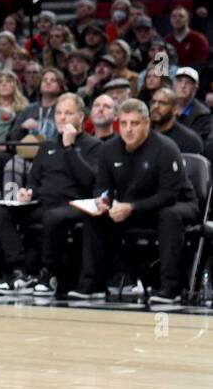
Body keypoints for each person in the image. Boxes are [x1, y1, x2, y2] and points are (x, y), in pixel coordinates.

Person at [72, 99, 199, 304]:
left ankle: (171, 289)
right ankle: (91, 286)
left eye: (135, 123)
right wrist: (102, 200)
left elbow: (169, 195)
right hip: (133, 208)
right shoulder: (108, 149)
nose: (128, 129)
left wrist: (131, 207)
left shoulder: (166, 148)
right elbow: (102, 186)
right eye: (124, 124)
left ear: (147, 124)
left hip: (176, 205)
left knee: (168, 215)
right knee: (94, 217)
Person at [0, 93, 101, 295]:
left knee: (53, 216)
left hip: (75, 205)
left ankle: (48, 273)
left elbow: (90, 181)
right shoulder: (47, 145)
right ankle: (19, 272)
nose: (62, 118)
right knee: (3, 210)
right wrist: (27, 193)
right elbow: (34, 179)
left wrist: (69, 147)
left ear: (80, 118)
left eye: (68, 113)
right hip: (44, 203)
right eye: (59, 113)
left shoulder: (93, 146)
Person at [149, 87, 203, 153]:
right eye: (153, 102)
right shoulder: (144, 133)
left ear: (175, 110)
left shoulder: (189, 140)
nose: (155, 107)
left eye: (163, 103)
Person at [173, 67, 212, 139]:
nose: (183, 86)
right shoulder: (165, 106)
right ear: (174, 85)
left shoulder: (203, 114)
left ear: (195, 88)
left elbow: (196, 143)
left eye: (188, 82)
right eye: (179, 81)